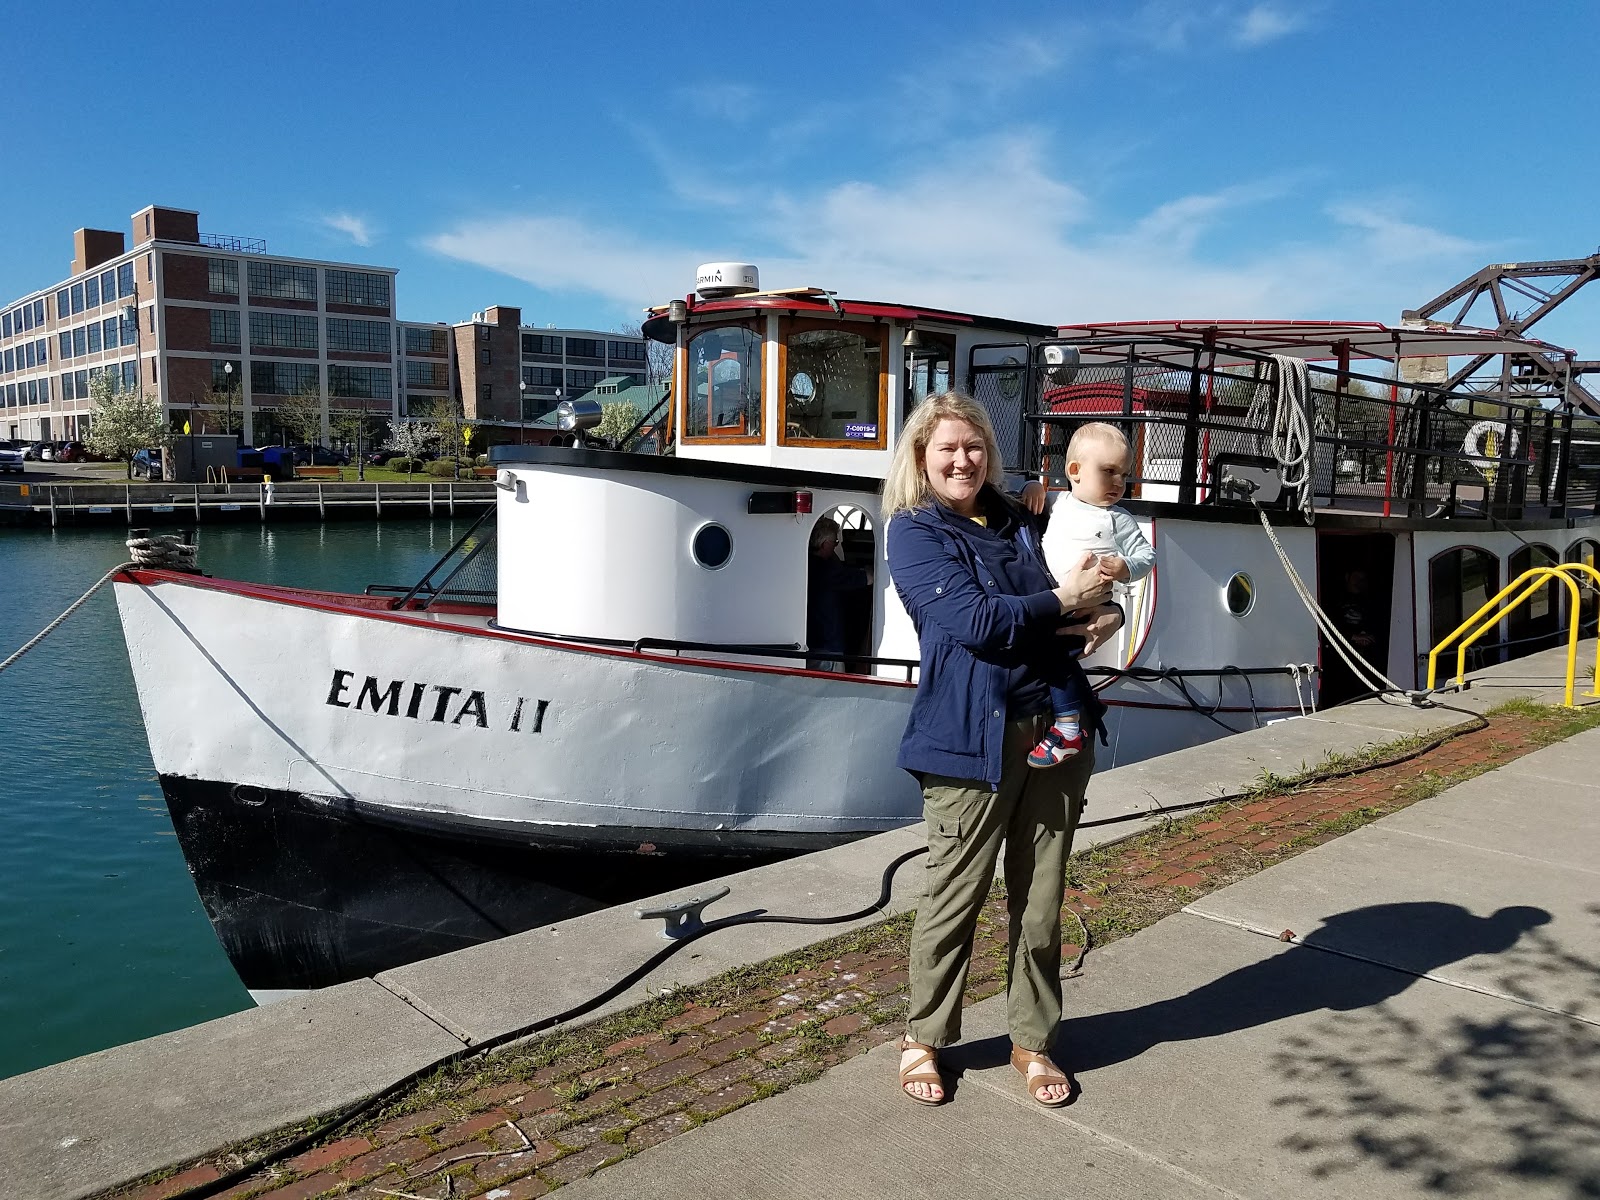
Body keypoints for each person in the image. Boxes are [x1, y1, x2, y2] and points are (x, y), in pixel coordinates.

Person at [883, 391, 1124, 1109]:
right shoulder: (913, 531)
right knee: (953, 898)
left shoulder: (1023, 522)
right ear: (922, 457)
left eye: (975, 446)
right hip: (967, 742)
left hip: (1056, 728)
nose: (964, 460)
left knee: (1042, 900)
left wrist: (1103, 611)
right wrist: (1063, 602)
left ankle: (1033, 1040)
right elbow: (977, 621)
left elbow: (1072, 591)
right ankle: (924, 1037)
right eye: (948, 449)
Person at [1026, 422, 1155, 767]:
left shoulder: (1119, 520)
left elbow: (1147, 556)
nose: (1118, 483)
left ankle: (1068, 728)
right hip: (1059, 598)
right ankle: (1089, 704)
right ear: (1074, 472)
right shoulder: (1058, 501)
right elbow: (1034, 494)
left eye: (1124, 474)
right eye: (1109, 471)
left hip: (1086, 606)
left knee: (1052, 656)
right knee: (1052, 656)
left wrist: (1125, 566)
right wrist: (1029, 486)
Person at [806, 516, 870, 672]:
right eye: (835, 542)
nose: (836, 546)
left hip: (813, 642)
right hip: (827, 648)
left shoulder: (807, 563)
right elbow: (867, 578)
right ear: (825, 544)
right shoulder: (828, 570)